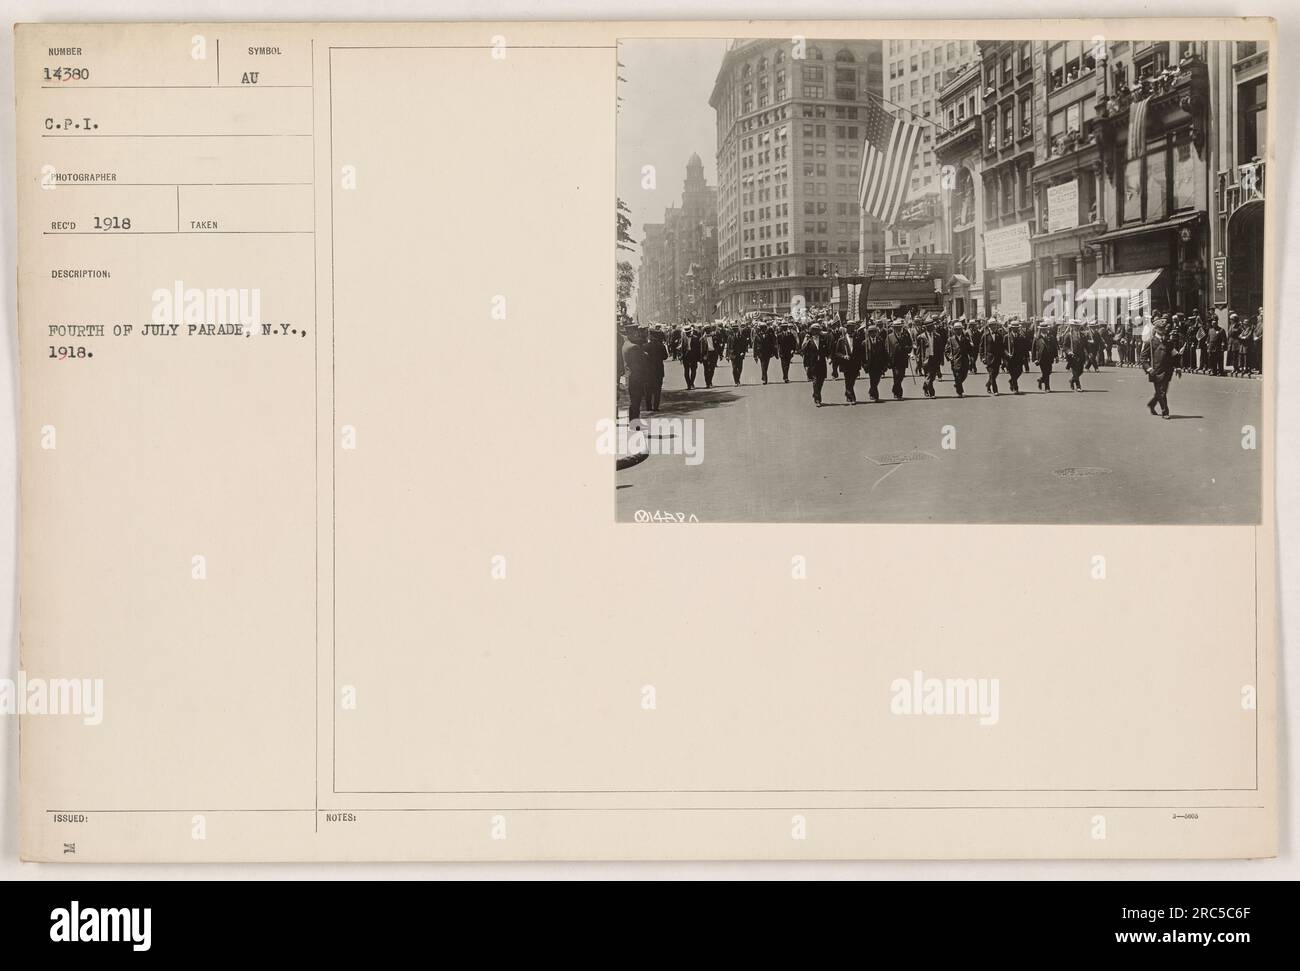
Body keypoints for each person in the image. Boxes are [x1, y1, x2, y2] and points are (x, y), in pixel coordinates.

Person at [1140, 317, 1177, 418]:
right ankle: (1165, 412)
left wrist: (1178, 367)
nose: (1163, 332)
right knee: (1162, 392)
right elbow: (1143, 358)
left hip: (1168, 371)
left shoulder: (1168, 342)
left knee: (1161, 392)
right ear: (1156, 329)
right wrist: (1148, 368)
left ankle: (1152, 404)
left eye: (1164, 329)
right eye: (1160, 330)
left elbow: (1174, 356)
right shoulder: (1150, 342)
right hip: (1156, 372)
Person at [620, 325, 650, 424]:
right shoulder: (634, 347)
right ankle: (635, 424)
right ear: (631, 333)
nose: (637, 334)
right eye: (635, 332)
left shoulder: (626, 344)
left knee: (634, 402)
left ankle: (634, 423)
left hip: (631, 377)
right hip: (636, 378)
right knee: (636, 403)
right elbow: (641, 363)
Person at [802, 323, 829, 406]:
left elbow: (827, 350)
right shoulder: (808, 341)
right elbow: (804, 353)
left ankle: (816, 392)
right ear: (811, 331)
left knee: (821, 381)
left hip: (821, 363)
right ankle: (818, 399)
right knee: (815, 381)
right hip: (812, 364)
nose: (816, 332)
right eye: (814, 330)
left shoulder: (823, 340)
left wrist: (830, 358)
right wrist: (806, 365)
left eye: (817, 330)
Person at [917, 319, 945, 398]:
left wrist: (942, 360)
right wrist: (919, 361)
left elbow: (940, 349)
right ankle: (931, 393)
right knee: (928, 375)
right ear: (926, 327)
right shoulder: (921, 337)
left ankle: (925, 387)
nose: (933, 327)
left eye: (933, 325)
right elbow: (919, 350)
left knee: (932, 376)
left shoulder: (937, 336)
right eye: (930, 326)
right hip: (926, 359)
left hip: (935, 359)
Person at [886, 318, 912, 400]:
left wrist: (908, 348)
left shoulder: (906, 335)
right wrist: (887, 360)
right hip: (894, 360)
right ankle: (898, 393)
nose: (898, 328)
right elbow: (887, 349)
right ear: (893, 328)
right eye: (896, 327)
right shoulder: (889, 337)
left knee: (901, 376)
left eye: (899, 327)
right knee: (896, 376)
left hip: (903, 359)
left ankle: (895, 389)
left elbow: (910, 345)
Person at [644, 325, 668, 411]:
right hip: (658, 371)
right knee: (657, 390)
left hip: (648, 371)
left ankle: (648, 407)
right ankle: (656, 407)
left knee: (648, 390)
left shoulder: (645, 346)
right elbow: (665, 357)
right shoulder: (661, 346)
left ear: (651, 336)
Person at [946, 321, 973, 397]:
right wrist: (949, 357)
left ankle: (957, 384)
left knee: (964, 375)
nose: (958, 331)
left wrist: (971, 357)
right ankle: (960, 392)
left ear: (962, 330)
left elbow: (969, 350)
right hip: (955, 361)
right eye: (956, 329)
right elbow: (946, 351)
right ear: (954, 330)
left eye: (959, 329)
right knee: (957, 376)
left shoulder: (966, 339)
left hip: (965, 361)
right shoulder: (950, 340)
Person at [864, 320, 889, 402]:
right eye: (871, 332)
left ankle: (871, 390)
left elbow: (884, 353)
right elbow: (862, 355)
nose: (873, 334)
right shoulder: (865, 343)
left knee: (877, 379)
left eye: (874, 332)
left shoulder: (880, 341)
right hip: (870, 364)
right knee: (872, 379)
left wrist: (886, 364)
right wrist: (864, 365)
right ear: (869, 333)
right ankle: (874, 395)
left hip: (879, 364)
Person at [834, 325, 859, 404]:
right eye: (849, 328)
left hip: (855, 363)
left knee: (853, 380)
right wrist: (843, 356)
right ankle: (852, 396)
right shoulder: (841, 340)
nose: (851, 329)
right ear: (846, 329)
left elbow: (860, 352)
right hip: (846, 364)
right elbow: (837, 352)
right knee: (848, 380)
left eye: (853, 328)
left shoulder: (857, 339)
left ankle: (848, 392)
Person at [1061, 320, 1088, 391]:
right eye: (1075, 326)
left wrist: (1089, 352)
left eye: (1078, 326)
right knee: (1075, 371)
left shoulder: (1082, 335)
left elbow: (1086, 345)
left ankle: (1072, 380)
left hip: (1081, 355)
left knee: (1080, 371)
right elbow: (1065, 346)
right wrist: (1069, 351)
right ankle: (1078, 386)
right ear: (1072, 327)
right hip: (1072, 356)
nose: (1077, 328)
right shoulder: (1068, 335)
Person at [980, 317, 1003, 395]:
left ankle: (988, 385)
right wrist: (982, 357)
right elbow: (981, 347)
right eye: (992, 325)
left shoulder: (999, 335)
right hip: (989, 358)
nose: (994, 327)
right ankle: (995, 390)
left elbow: (1001, 347)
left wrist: (1003, 358)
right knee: (992, 374)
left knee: (995, 373)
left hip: (997, 358)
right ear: (989, 326)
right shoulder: (985, 335)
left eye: (995, 325)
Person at [1004, 320, 1028, 394]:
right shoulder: (1007, 337)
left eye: (1017, 327)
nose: (1016, 329)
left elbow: (1024, 347)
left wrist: (1026, 356)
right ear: (1011, 328)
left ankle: (1011, 381)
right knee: (1012, 373)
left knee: (1019, 371)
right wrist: (1007, 354)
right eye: (1014, 328)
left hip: (1019, 357)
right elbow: (1004, 348)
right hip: (1010, 358)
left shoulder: (1021, 336)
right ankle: (1015, 388)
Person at [1032, 320, 1056, 391]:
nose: (1045, 330)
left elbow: (1054, 347)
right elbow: (1033, 349)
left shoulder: (1051, 337)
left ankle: (1040, 380)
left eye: (1046, 329)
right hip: (1041, 358)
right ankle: (1047, 387)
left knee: (1049, 371)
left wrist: (1056, 356)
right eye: (1043, 329)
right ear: (1041, 329)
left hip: (1049, 357)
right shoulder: (1037, 338)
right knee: (1045, 372)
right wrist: (1034, 359)